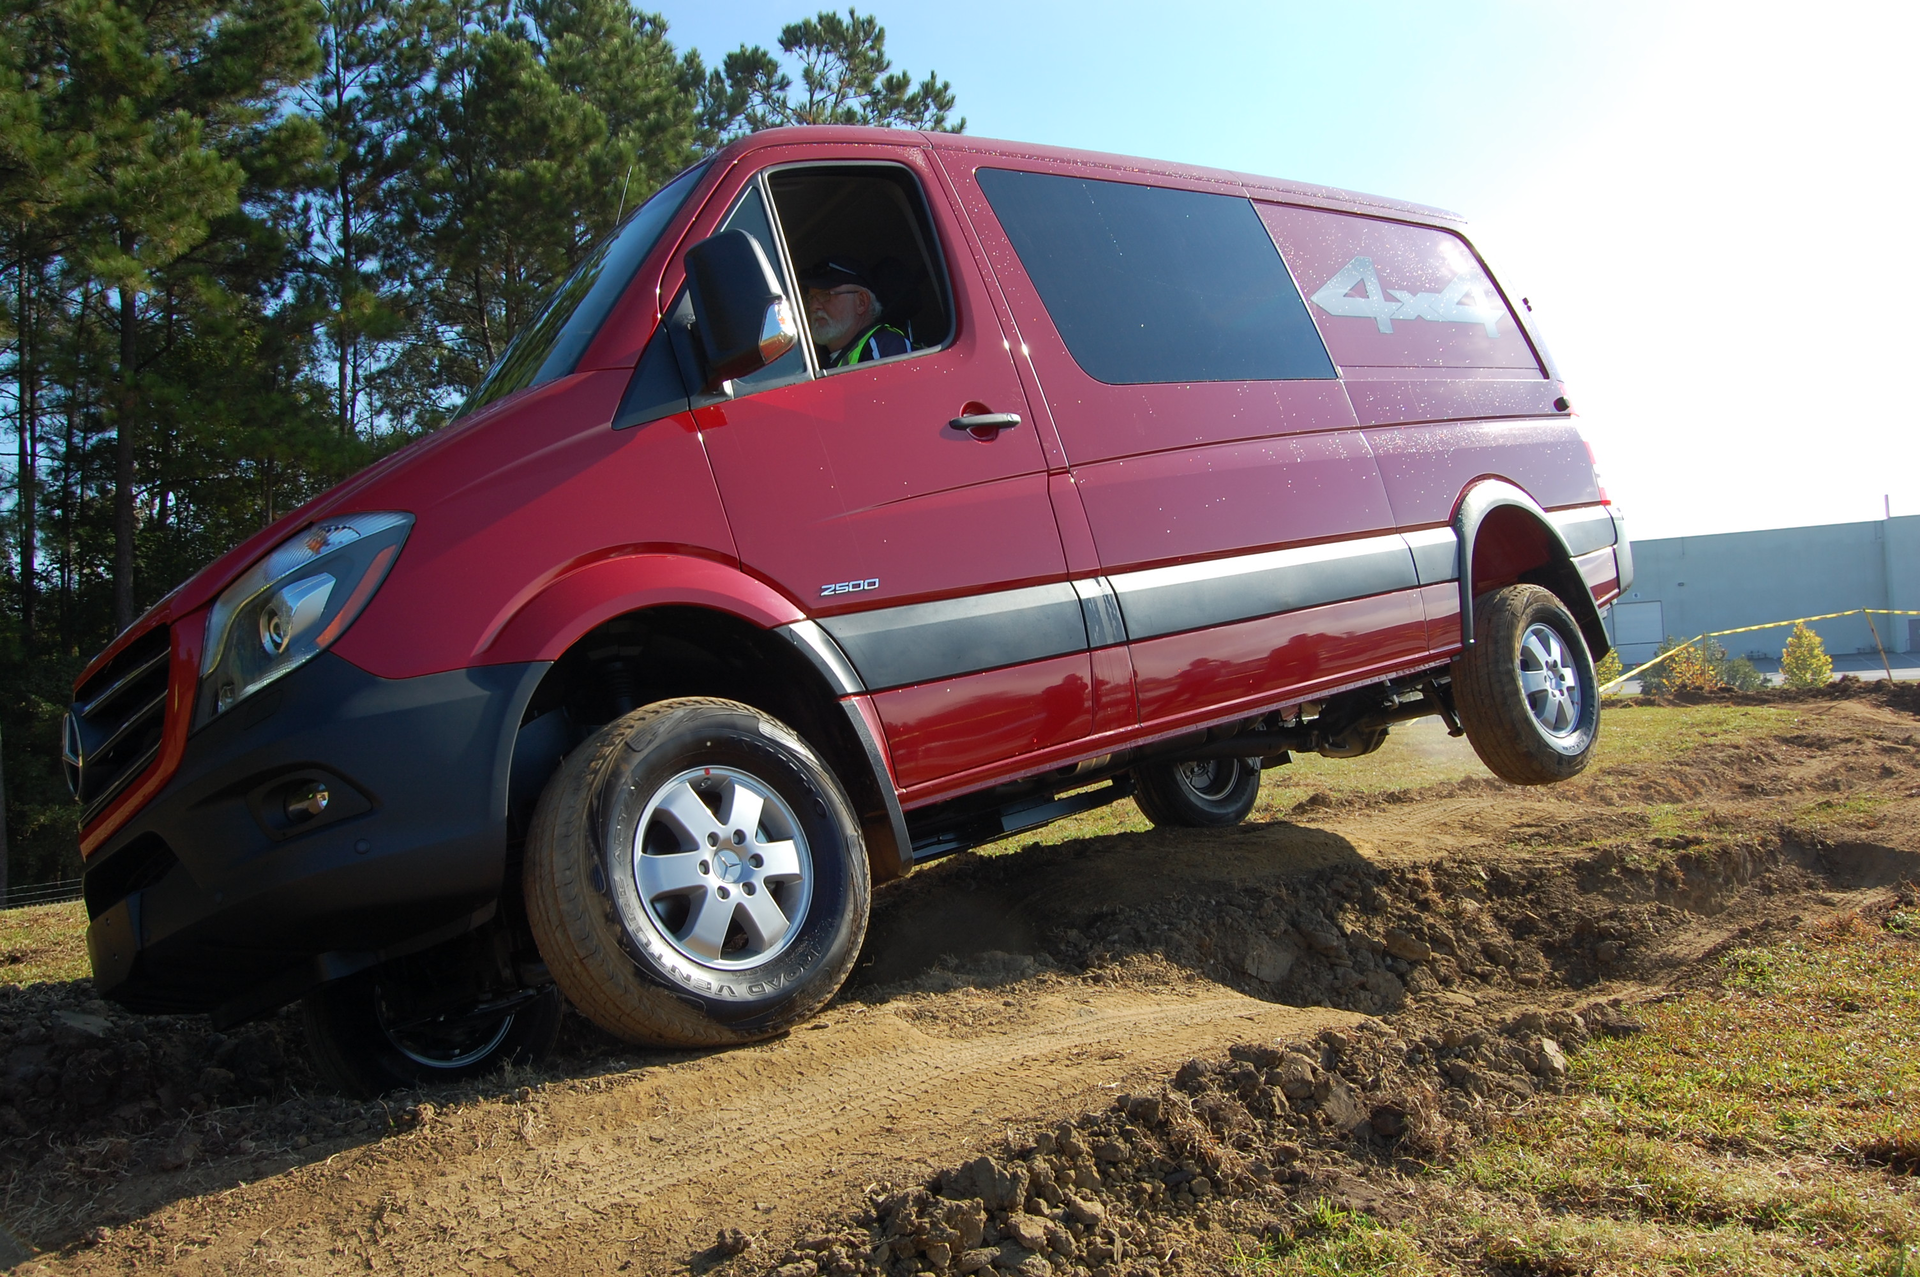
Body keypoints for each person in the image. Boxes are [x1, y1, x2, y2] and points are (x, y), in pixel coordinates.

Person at [800, 258, 910, 368]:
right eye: (810, 299)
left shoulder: (885, 347)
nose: (814, 307)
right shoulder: (808, 360)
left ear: (861, 302)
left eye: (825, 295)